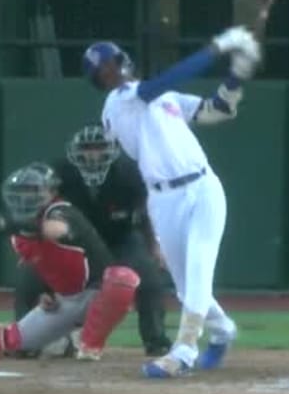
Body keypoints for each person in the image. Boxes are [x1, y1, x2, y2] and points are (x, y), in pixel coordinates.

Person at [87, 29, 260, 378]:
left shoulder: (164, 97)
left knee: (198, 272)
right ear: (99, 80)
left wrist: (238, 70)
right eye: (102, 70)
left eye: (112, 63)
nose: (111, 70)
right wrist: (222, 45)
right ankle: (224, 331)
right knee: (185, 289)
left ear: (123, 61)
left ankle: (182, 352)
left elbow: (219, 110)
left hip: (203, 187)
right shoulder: (119, 102)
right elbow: (165, 80)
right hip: (163, 200)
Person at [11, 126, 173, 358]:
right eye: (87, 148)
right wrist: (36, 256)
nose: (93, 154)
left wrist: (154, 246)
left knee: (150, 280)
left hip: (120, 238)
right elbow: (41, 212)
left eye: (99, 148)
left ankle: (156, 340)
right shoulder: (60, 174)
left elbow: (146, 213)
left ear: (112, 150)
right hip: (73, 244)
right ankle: (23, 340)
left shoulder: (130, 174)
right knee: (30, 276)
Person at [0, 164, 142, 362]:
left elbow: (57, 230)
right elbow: (43, 264)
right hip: (66, 298)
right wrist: (46, 292)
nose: (27, 196)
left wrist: (7, 225)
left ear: (51, 192)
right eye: (23, 191)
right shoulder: (18, 235)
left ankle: (89, 345)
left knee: (122, 279)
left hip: (96, 292)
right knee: (6, 344)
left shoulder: (60, 210)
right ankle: (67, 338)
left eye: (34, 190)